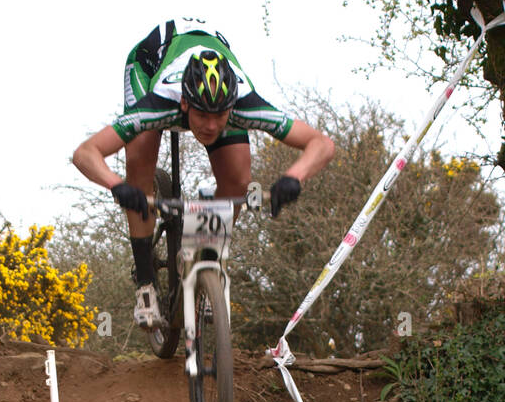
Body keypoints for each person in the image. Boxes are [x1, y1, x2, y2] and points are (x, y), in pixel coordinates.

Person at [72, 17, 335, 329]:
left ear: (232, 106)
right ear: (185, 103)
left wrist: (294, 177)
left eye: (220, 116)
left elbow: (321, 144)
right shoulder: (161, 103)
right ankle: (145, 283)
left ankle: (204, 253)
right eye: (201, 115)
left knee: (237, 181)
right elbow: (85, 153)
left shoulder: (245, 102)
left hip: (211, 67)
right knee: (139, 162)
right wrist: (118, 186)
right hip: (148, 64)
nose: (210, 126)